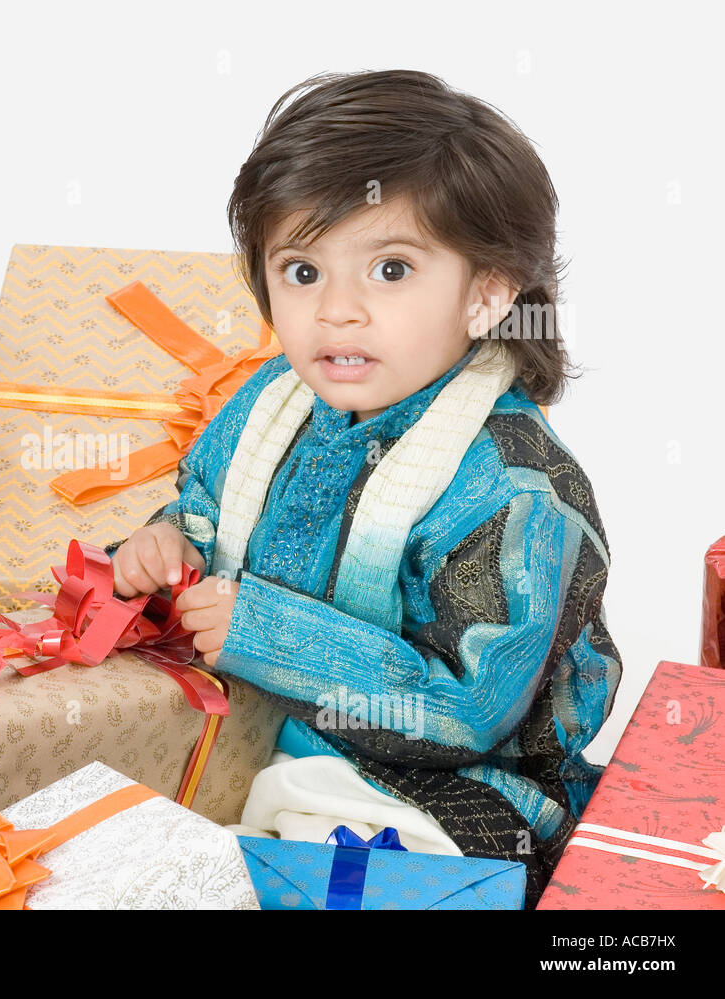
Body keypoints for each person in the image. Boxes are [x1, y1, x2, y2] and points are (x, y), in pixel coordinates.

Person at [108, 69, 621, 908]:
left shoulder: (513, 487)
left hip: (440, 786)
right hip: (256, 730)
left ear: (488, 293)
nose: (338, 310)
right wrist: (164, 544)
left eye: (390, 269)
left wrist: (267, 632)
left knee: (321, 869)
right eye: (303, 271)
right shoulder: (270, 404)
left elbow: (473, 710)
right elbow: (204, 511)